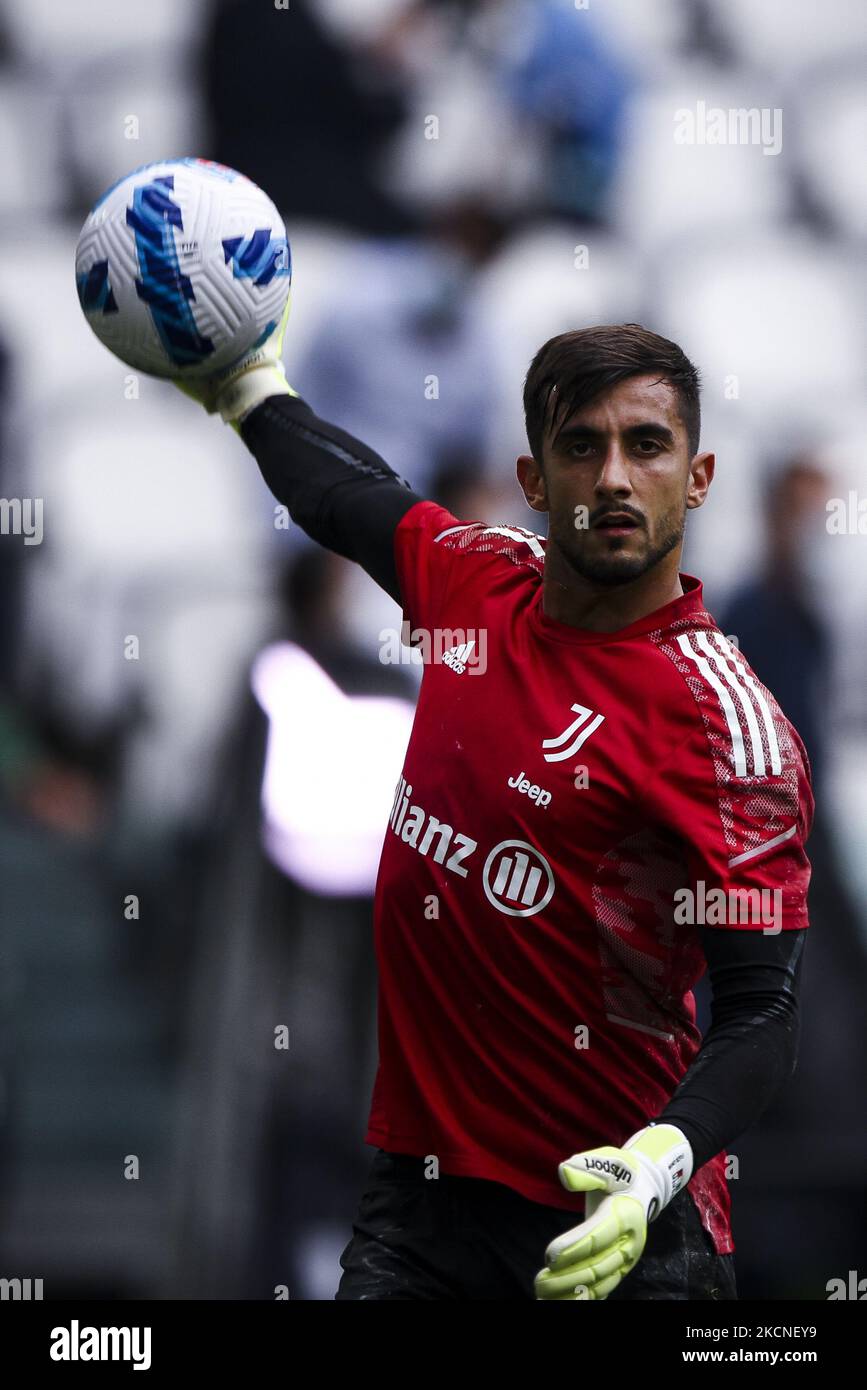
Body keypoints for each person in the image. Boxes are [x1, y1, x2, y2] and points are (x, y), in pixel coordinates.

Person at [175, 312, 813, 1301]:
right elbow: (347, 496)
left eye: (646, 445)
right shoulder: (477, 584)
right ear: (532, 481)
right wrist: (250, 388)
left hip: (621, 1222)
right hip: (420, 1211)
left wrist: (662, 1159)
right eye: (579, 446)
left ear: (698, 477)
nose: (611, 477)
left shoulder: (730, 729)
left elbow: (762, 1010)